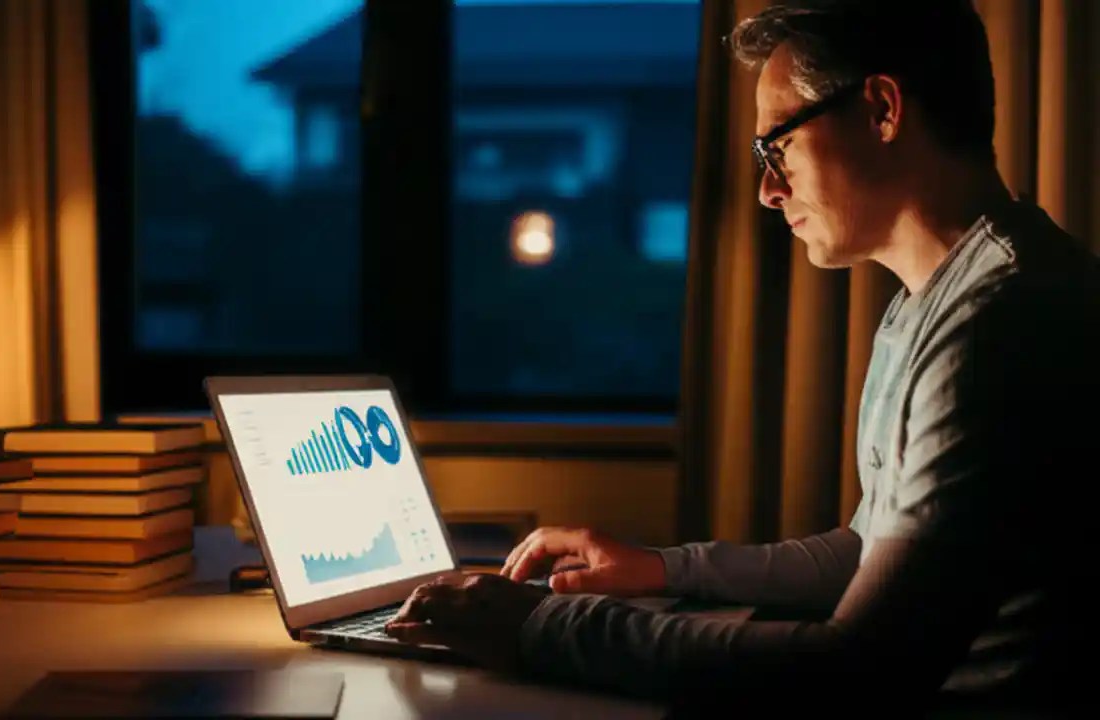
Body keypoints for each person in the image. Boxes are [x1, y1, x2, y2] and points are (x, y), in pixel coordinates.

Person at [386, 0, 1100, 714]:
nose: (767, 189)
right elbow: (867, 551)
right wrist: (657, 569)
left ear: (882, 110)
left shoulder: (997, 321)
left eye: (777, 146)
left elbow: (864, 665)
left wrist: (539, 624)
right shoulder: (931, 303)